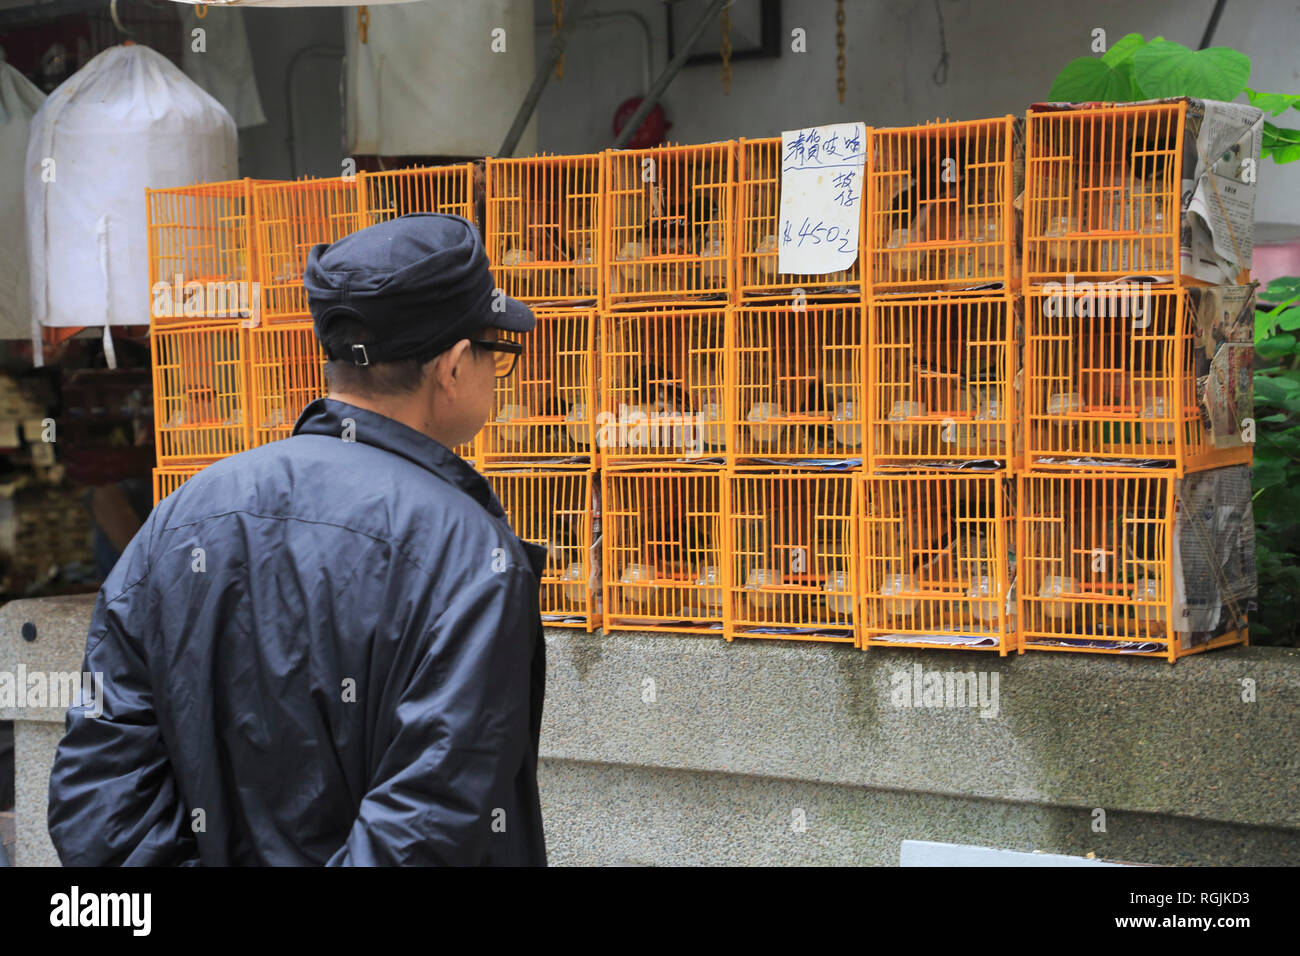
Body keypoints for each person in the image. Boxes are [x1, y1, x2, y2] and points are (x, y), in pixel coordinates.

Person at [47, 213, 548, 865]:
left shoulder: (182, 518)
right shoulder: (468, 555)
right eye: (495, 353)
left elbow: (100, 791)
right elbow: (429, 830)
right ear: (452, 367)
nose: (493, 372)